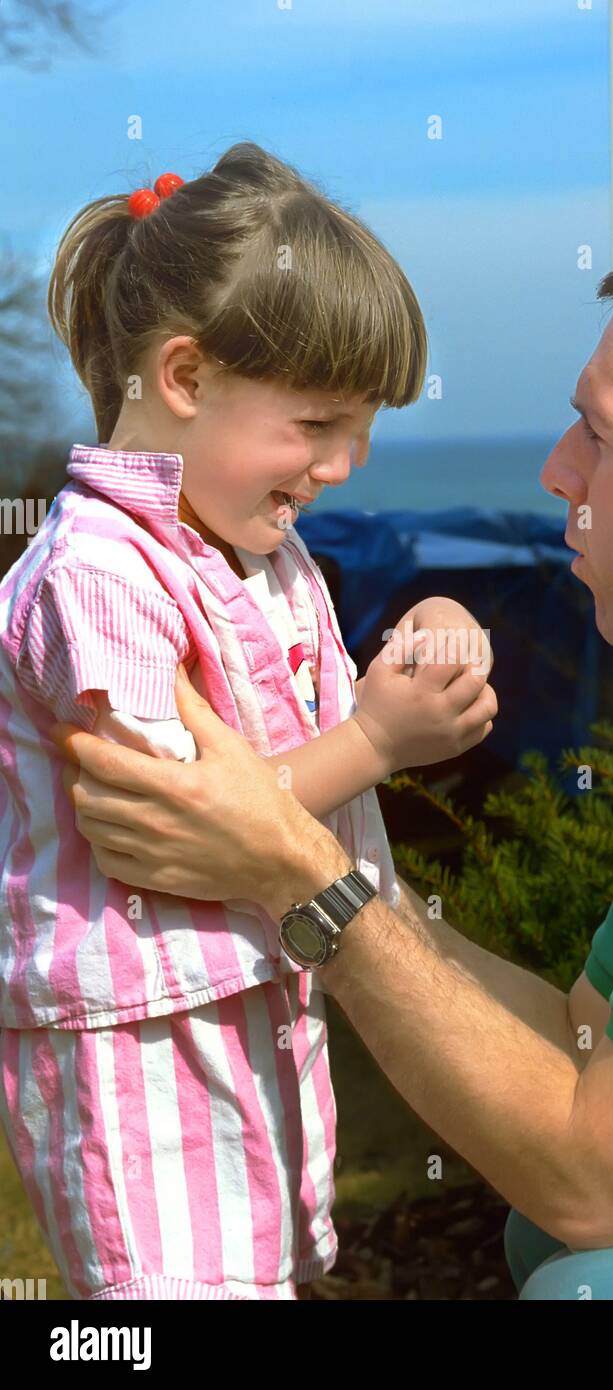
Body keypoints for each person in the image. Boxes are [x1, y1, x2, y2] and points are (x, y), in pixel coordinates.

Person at [53, 212, 613, 1301]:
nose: (552, 471)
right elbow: (586, 1044)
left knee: (601, 1276)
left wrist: (295, 877)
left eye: (593, 432)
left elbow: (597, 1175)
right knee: (574, 1245)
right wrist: (334, 857)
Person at [0, 141, 496, 1301]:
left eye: (364, 427)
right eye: (318, 424)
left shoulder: (245, 540)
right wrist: (377, 741)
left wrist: (422, 624)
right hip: (135, 1044)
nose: (346, 462)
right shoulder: (98, 575)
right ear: (183, 375)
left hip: (241, 1009)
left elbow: (298, 700)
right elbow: (162, 827)